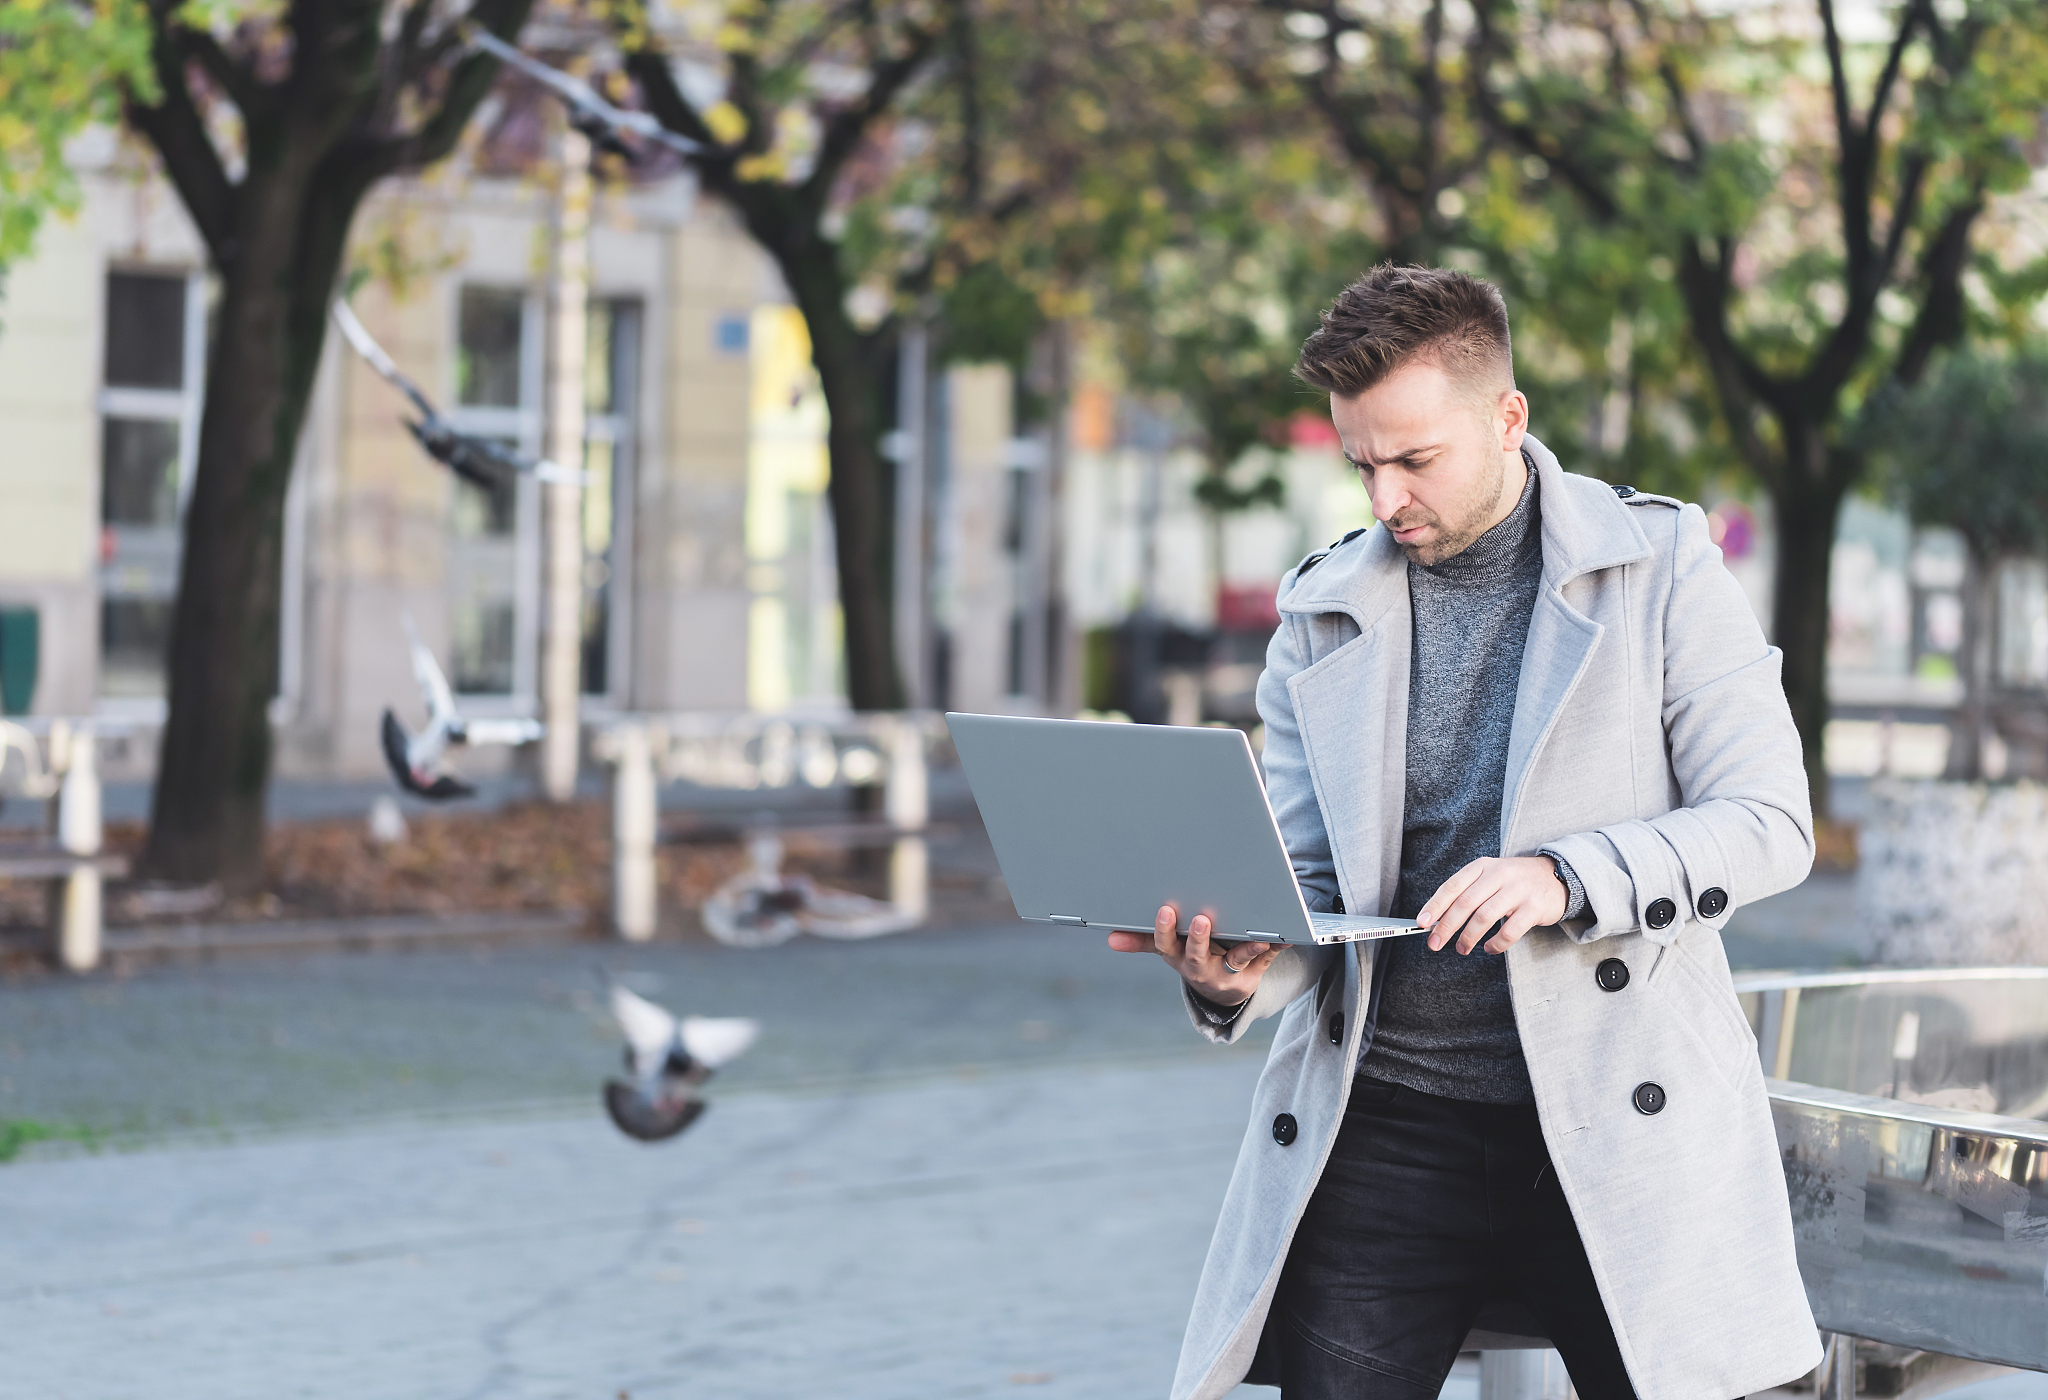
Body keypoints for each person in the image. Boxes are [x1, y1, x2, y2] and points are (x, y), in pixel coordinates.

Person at [1110, 265, 1819, 1400]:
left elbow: (1770, 823)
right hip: (1383, 1125)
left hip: (1616, 1110)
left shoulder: (1663, 564)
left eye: (1414, 458)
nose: (1384, 496)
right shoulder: (1319, 608)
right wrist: (1237, 968)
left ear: (1505, 417)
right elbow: (1306, 886)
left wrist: (1564, 876)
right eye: (1359, 462)